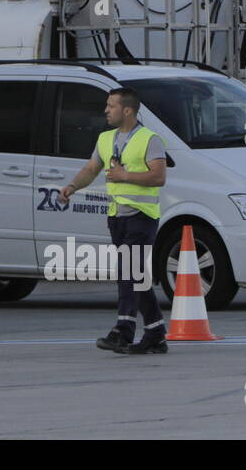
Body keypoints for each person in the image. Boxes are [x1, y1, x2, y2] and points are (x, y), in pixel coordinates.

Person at [60, 88, 169, 355]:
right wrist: (73, 186)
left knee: (127, 273)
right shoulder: (106, 139)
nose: (106, 110)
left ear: (127, 110)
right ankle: (155, 333)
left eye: (111, 106)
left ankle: (123, 330)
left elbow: (158, 177)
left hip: (141, 217)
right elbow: (91, 169)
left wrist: (124, 176)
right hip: (116, 217)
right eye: (107, 106)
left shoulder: (149, 139)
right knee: (137, 277)